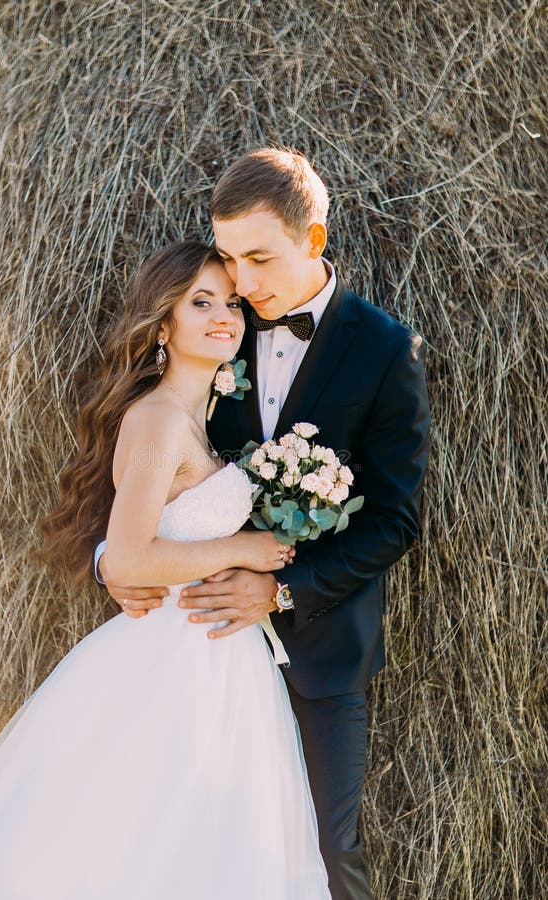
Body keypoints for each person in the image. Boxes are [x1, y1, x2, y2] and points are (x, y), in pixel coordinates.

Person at [0, 241, 332, 899]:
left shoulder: (195, 422)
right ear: (163, 326)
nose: (225, 316)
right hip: (172, 664)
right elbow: (127, 558)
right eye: (201, 302)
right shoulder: (156, 421)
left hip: (218, 664)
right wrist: (243, 549)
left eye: (232, 303)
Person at [97, 149, 431, 899]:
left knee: (325, 851)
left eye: (258, 259)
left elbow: (394, 520)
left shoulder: (384, 351)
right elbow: (152, 473)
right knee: (189, 848)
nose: (240, 287)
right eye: (227, 261)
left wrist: (279, 590)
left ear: (313, 241)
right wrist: (114, 564)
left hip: (322, 652)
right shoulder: (217, 328)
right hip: (198, 653)